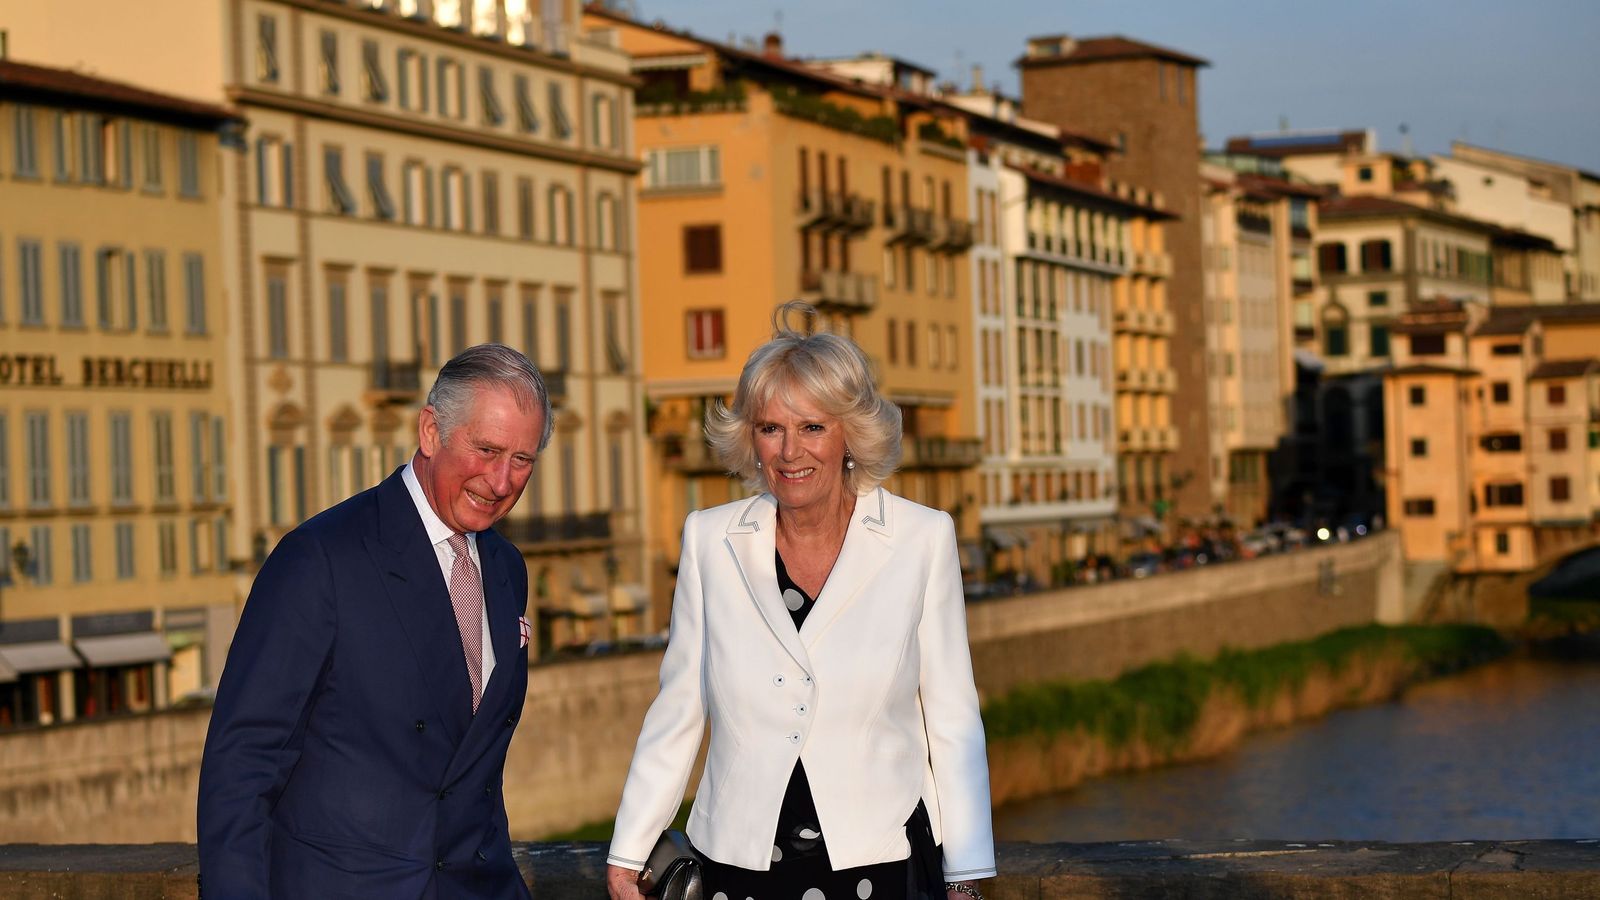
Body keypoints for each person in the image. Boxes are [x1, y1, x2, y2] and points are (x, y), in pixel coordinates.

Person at [605, 304, 995, 900]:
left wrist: (966, 872)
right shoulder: (710, 540)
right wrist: (631, 847)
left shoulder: (922, 538)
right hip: (741, 864)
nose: (790, 452)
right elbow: (679, 705)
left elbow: (952, 717)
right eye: (770, 428)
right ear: (750, 439)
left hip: (880, 862)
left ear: (850, 436)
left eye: (812, 427)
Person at [197, 344, 552, 899]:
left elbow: (471, 771)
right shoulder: (320, 557)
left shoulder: (507, 568)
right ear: (431, 432)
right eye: (486, 450)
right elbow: (244, 760)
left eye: (522, 460)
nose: (502, 481)